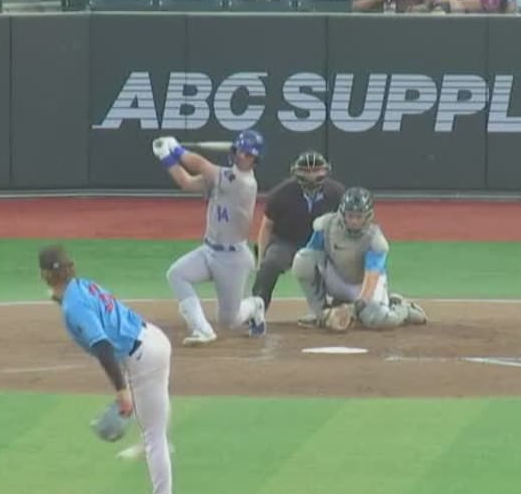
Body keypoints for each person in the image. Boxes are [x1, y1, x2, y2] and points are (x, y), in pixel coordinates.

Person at [38, 245, 175, 494]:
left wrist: (121, 391)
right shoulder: (82, 286)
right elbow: (87, 309)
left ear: (43, 275)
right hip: (153, 339)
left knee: (153, 437)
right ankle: (160, 436)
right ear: (70, 267)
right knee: (154, 427)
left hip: (143, 357)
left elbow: (101, 345)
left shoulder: (73, 305)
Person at [151, 131, 268, 346]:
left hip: (233, 259)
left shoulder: (243, 183)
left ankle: (254, 306)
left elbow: (201, 165)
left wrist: (176, 150)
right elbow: (186, 182)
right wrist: (166, 158)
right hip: (209, 251)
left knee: (229, 320)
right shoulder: (221, 178)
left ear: (255, 160)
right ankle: (202, 329)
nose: (243, 156)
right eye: (241, 152)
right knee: (177, 274)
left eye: (249, 155)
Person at [292, 187, 427, 331]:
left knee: (378, 320)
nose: (354, 221)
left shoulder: (375, 241)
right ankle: (318, 312)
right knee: (303, 259)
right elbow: (312, 255)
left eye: (359, 217)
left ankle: (403, 310)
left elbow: (370, 280)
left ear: (368, 216)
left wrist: (354, 309)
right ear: (342, 214)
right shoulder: (326, 226)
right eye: (350, 216)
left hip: (363, 284)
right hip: (337, 277)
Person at [252, 150, 346, 312]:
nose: (311, 175)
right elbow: (267, 226)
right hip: (286, 241)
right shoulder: (281, 193)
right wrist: (261, 260)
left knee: (346, 264)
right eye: (306, 171)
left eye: (316, 170)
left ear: (325, 170)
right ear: (296, 171)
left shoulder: (337, 193)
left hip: (322, 243)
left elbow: (345, 225)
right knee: (269, 265)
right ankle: (256, 308)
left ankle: (342, 304)